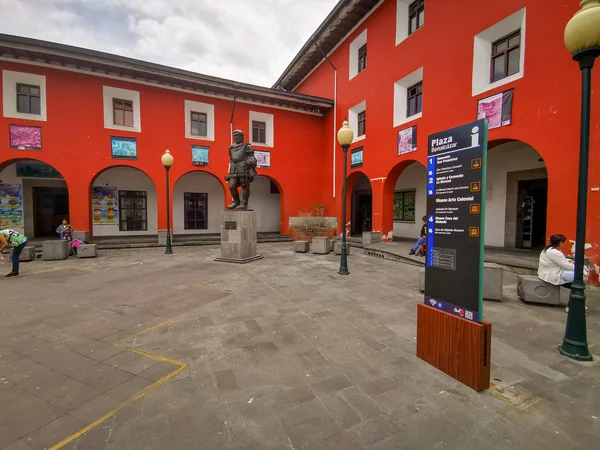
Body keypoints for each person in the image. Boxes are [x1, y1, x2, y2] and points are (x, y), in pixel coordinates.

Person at [537, 234, 580, 312]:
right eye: (564, 242)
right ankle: (570, 306)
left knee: (576, 282)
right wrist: (575, 266)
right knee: (577, 283)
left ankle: (574, 305)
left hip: (546, 273)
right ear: (560, 243)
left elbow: (559, 261)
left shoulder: (548, 249)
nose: (565, 244)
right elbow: (567, 266)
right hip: (552, 275)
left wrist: (567, 261)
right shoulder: (554, 252)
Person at [224, 130, 257, 210]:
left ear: (242, 136)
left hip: (243, 167)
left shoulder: (247, 146)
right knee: (232, 186)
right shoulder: (231, 147)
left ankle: (244, 203)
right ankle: (236, 201)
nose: (236, 137)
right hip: (234, 167)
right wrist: (229, 173)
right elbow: (232, 160)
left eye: (238, 136)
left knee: (244, 186)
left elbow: (252, 157)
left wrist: (248, 162)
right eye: (235, 136)